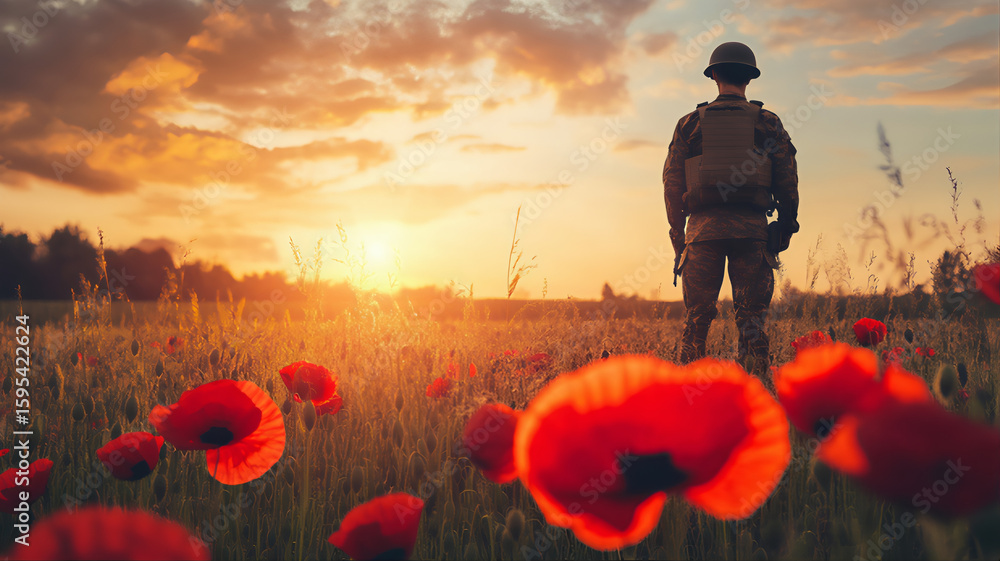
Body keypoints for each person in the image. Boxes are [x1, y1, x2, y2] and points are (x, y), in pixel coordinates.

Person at [662, 41, 799, 379]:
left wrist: (677, 233)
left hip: (702, 232)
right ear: (749, 79)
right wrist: (786, 222)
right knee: (751, 321)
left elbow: (671, 183)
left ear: (714, 76)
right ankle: (753, 396)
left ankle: (687, 399)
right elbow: (786, 176)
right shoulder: (767, 122)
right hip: (752, 232)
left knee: (697, 321)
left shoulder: (689, 124)